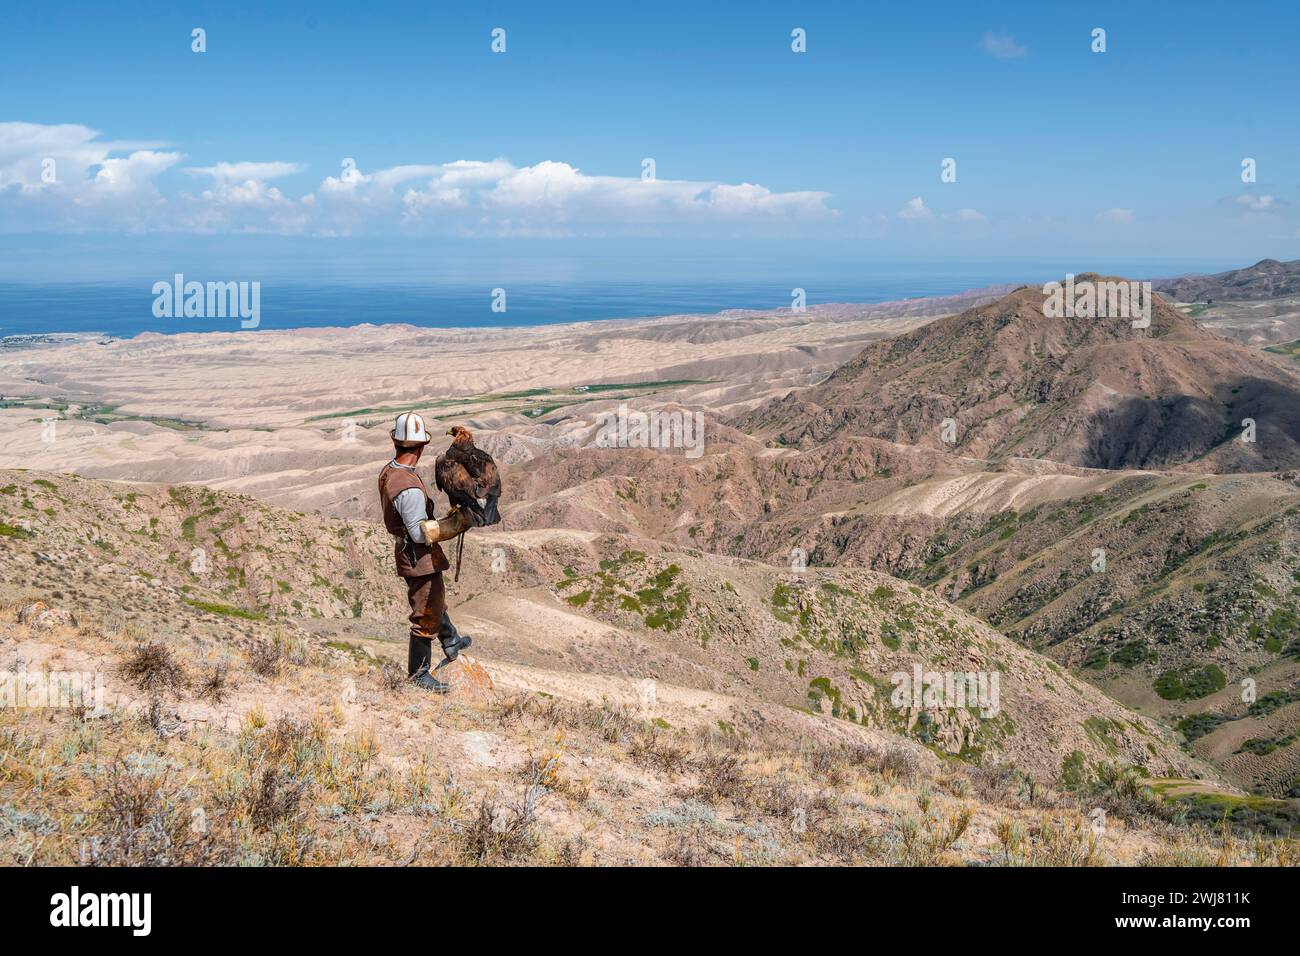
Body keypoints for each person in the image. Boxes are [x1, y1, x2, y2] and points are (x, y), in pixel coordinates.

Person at [377, 411, 473, 692]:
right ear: (420, 447)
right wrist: (453, 525)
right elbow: (420, 531)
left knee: (434, 598)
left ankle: (451, 639)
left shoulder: (391, 471)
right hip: (417, 555)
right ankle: (419, 675)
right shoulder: (408, 487)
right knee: (425, 611)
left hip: (413, 553)